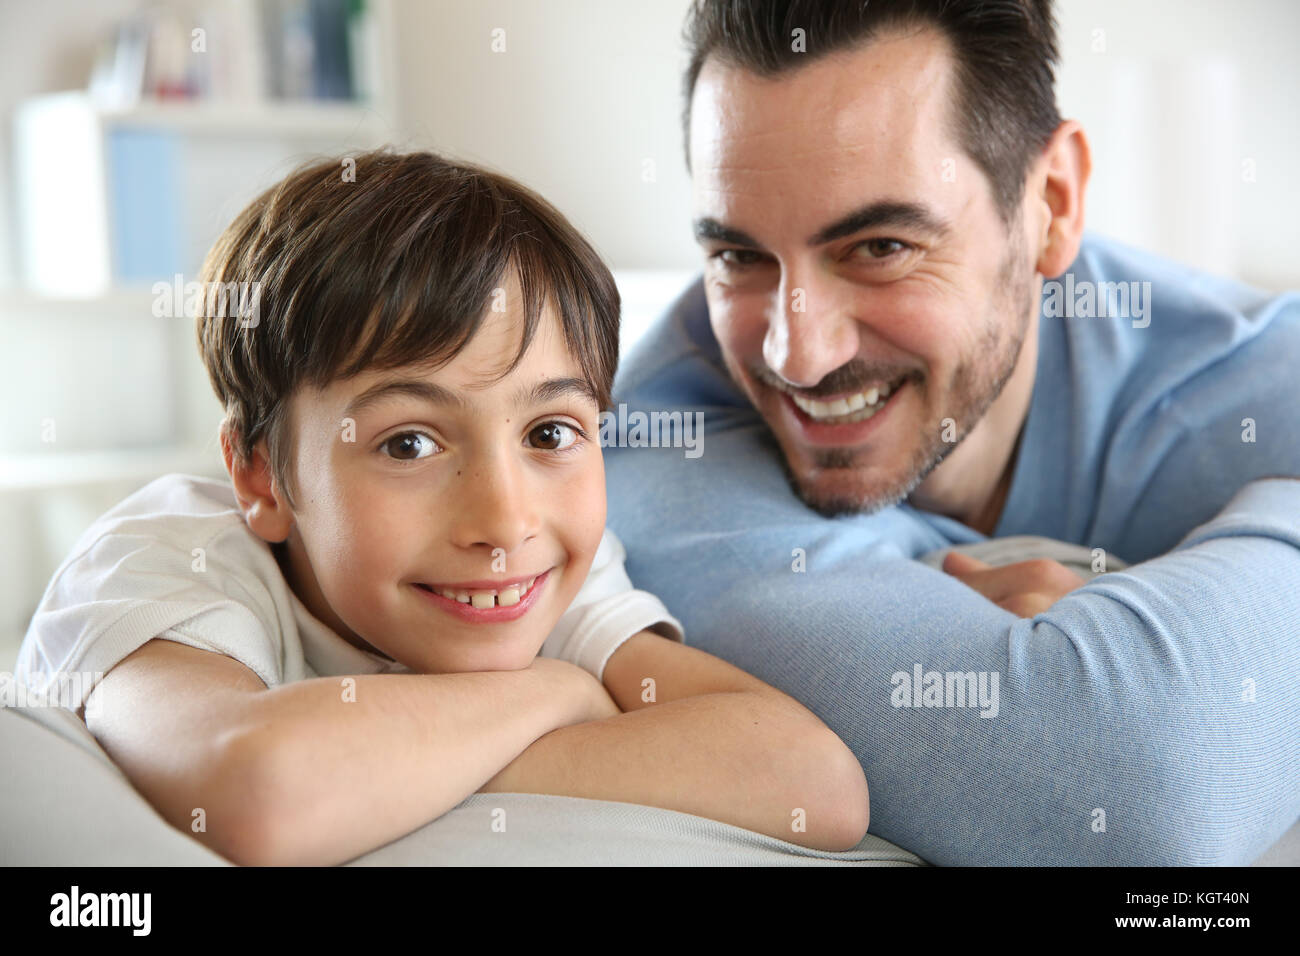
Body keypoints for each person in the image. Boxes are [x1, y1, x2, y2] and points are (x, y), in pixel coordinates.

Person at [14, 149, 870, 865]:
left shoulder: (547, 572)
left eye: (550, 433)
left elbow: (814, 785)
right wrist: (554, 692)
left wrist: (407, 768)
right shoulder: (169, 557)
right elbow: (258, 795)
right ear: (262, 477)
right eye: (409, 444)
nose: (504, 523)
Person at [603, 0, 1300, 865]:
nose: (799, 352)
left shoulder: (1256, 393)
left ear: (1052, 203)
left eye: (880, 246)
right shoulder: (657, 441)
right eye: (739, 258)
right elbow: (1127, 786)